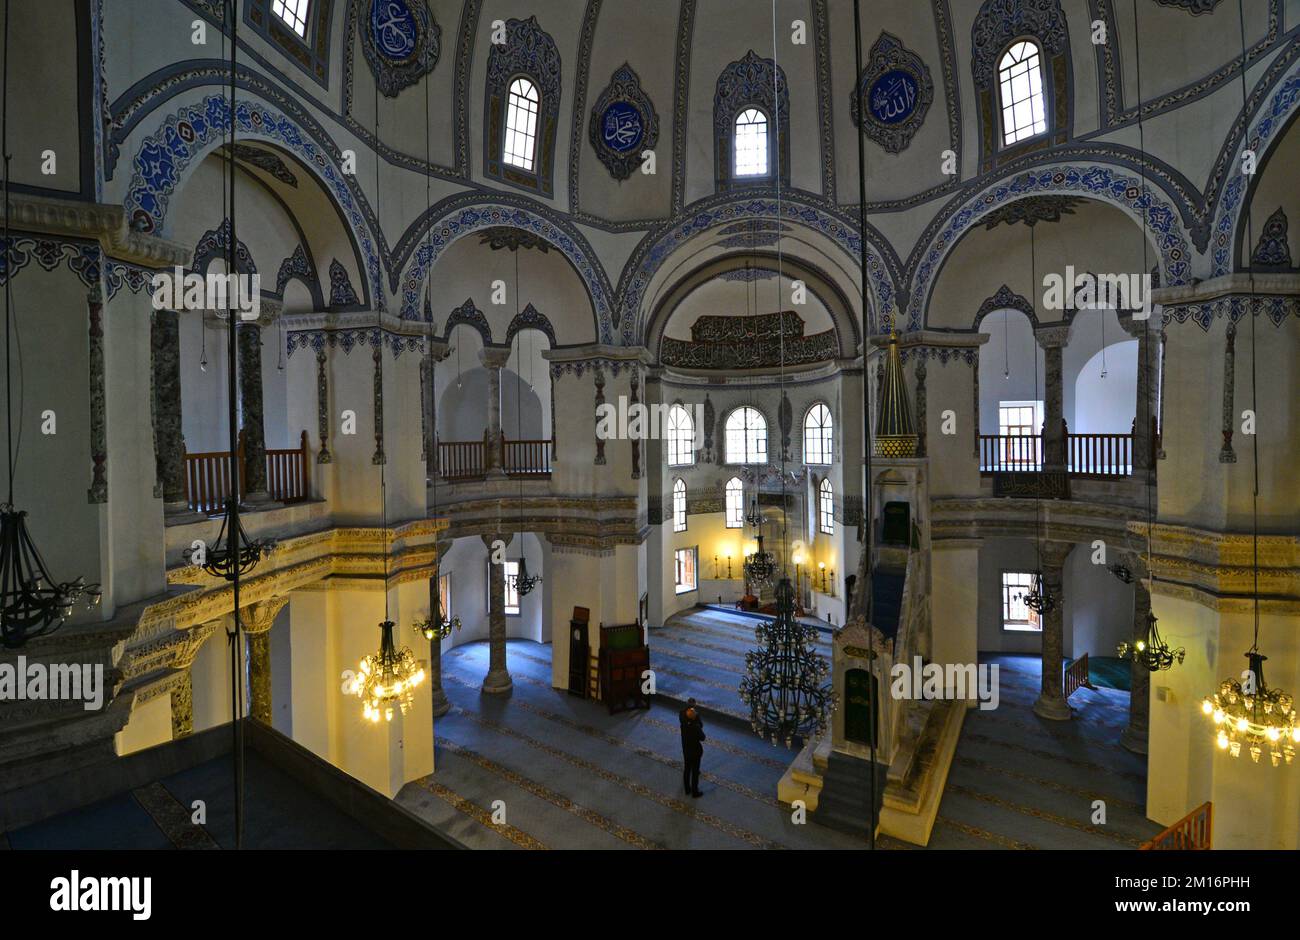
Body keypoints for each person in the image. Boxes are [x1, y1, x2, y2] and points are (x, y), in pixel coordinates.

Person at [679, 698, 705, 797]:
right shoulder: (696, 727)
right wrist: (697, 718)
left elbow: (683, 714)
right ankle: (695, 791)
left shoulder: (683, 721)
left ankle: (687, 789)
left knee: (687, 769)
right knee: (694, 772)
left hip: (686, 749)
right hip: (695, 752)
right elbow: (703, 738)